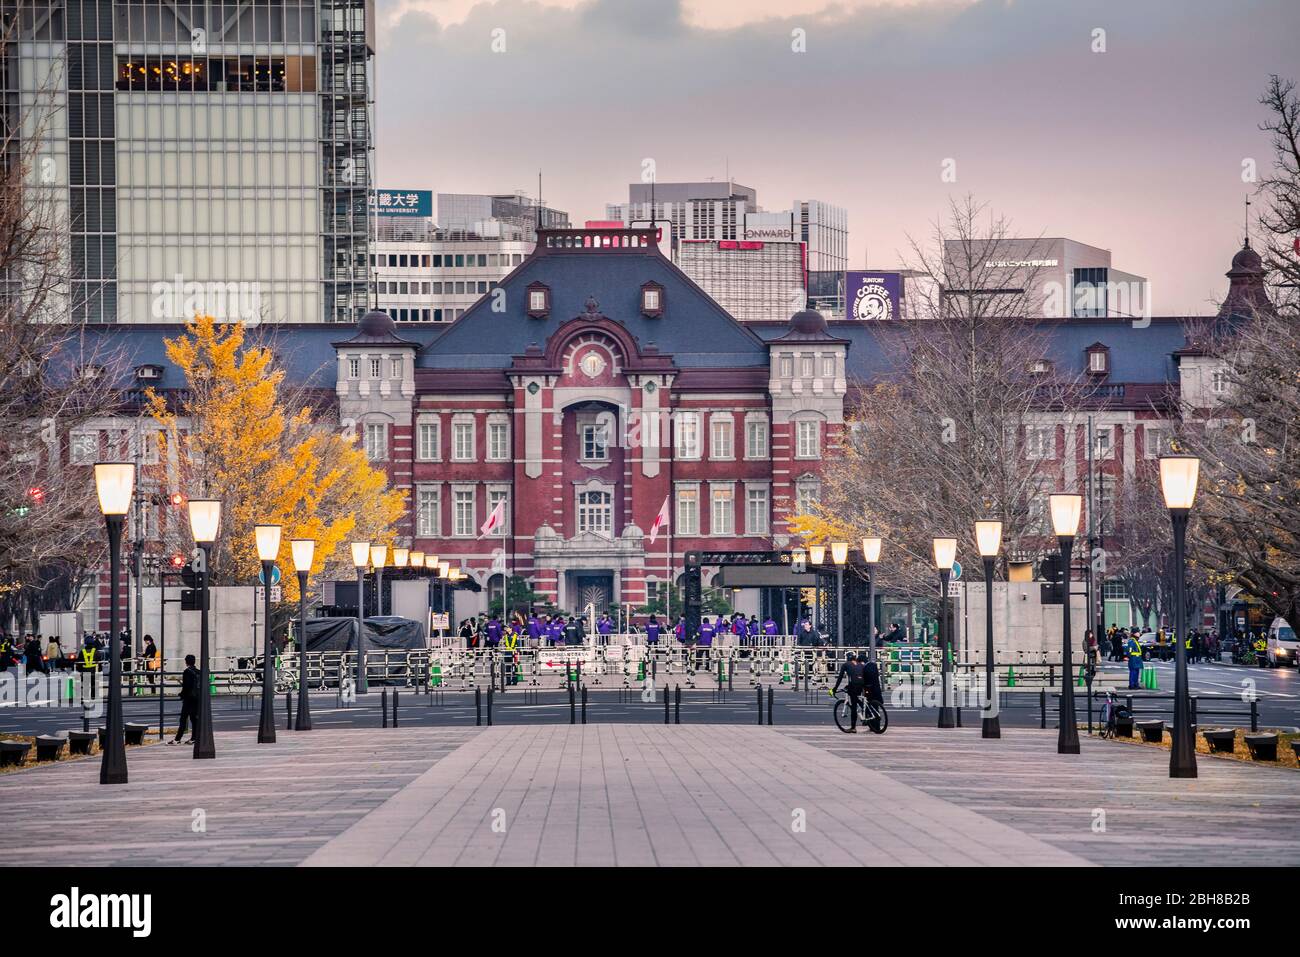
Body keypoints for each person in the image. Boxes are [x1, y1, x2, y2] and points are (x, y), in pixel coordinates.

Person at [831, 652, 882, 732]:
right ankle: (871, 720)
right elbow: (860, 677)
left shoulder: (846, 664)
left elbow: (841, 678)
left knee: (854, 706)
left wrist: (835, 688)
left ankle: (853, 727)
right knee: (861, 702)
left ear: (847, 658)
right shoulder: (862, 665)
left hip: (855, 686)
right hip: (865, 686)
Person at [170, 654, 200, 745]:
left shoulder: (187, 672)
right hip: (197, 698)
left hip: (188, 698)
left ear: (186, 662)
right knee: (194, 719)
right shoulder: (199, 672)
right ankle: (194, 738)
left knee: (183, 719)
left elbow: (187, 686)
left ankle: (177, 739)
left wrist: (181, 694)